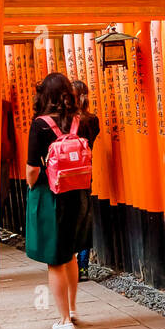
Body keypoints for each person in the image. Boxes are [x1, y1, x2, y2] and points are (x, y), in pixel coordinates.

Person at [26, 72, 93, 329]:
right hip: (77, 194)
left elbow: (32, 168)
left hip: (50, 194)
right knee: (71, 254)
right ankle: (73, 310)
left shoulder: (40, 124)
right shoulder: (82, 122)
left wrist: (33, 186)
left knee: (55, 259)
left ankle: (63, 320)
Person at [71, 79, 100, 279]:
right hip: (84, 174)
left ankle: (70, 265)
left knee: (67, 221)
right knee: (84, 218)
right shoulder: (92, 120)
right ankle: (83, 267)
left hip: (63, 177)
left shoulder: (64, 121)